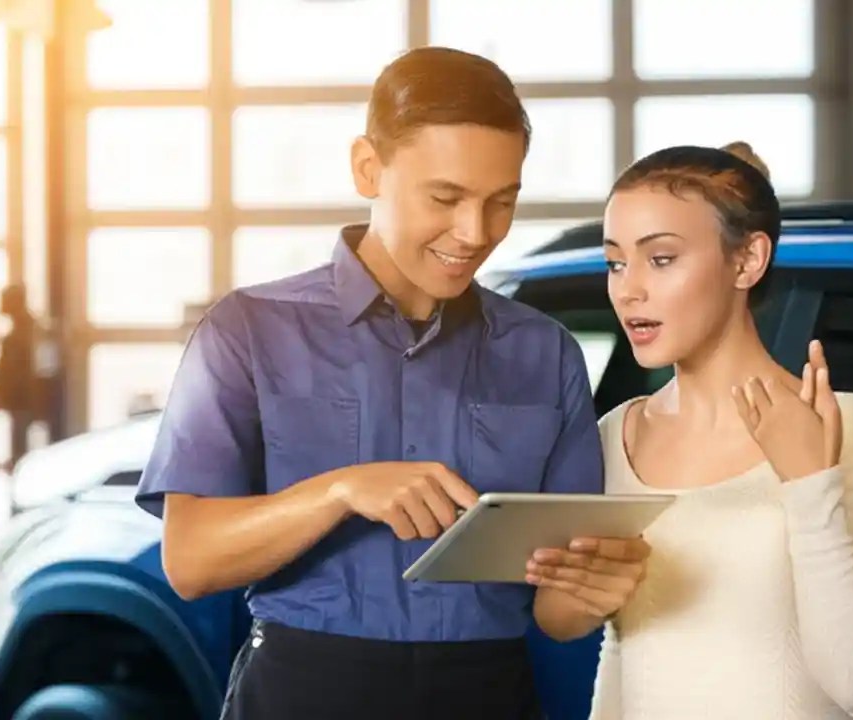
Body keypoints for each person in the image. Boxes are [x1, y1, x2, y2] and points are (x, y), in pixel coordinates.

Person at [134, 46, 645, 720]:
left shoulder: (544, 352)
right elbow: (191, 561)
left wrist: (591, 590)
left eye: (502, 202)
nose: (474, 232)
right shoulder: (249, 331)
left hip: (489, 693)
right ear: (367, 168)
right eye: (446, 197)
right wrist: (343, 490)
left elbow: (555, 614)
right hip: (303, 689)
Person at [526, 143, 853, 719]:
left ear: (748, 260)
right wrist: (583, 597)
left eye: (660, 259)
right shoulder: (613, 434)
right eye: (615, 262)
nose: (628, 289)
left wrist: (811, 485)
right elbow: (557, 617)